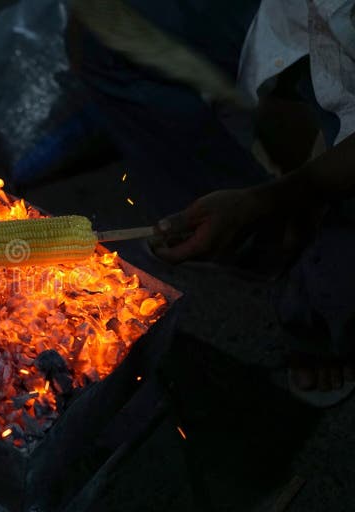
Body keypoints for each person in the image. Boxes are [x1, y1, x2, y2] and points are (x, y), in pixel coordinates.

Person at [66, 0, 355, 403]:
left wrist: (269, 199)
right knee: (100, 32)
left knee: (331, 291)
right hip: (289, 14)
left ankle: (314, 314)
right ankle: (250, 232)